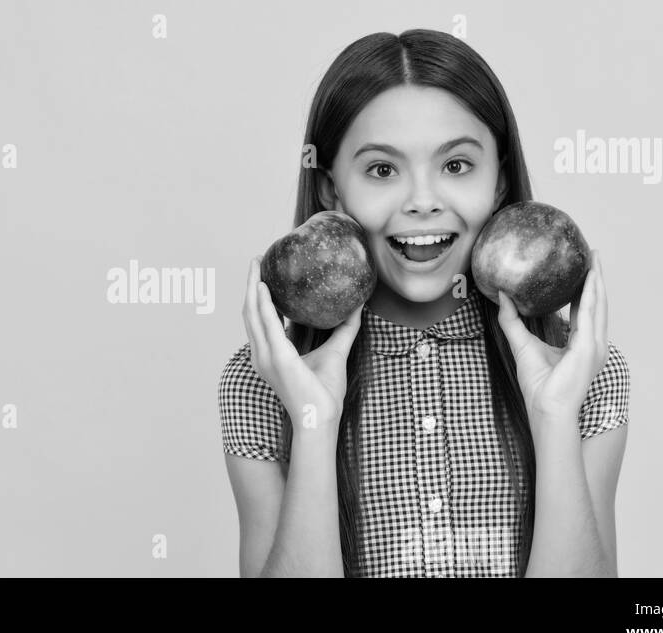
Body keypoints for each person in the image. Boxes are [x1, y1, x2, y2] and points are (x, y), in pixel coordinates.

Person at [218, 29, 630, 578]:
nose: (422, 202)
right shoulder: (263, 383)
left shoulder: (583, 372)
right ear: (330, 190)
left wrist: (554, 415)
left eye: (456, 165)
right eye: (382, 170)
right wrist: (314, 421)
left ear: (500, 179)